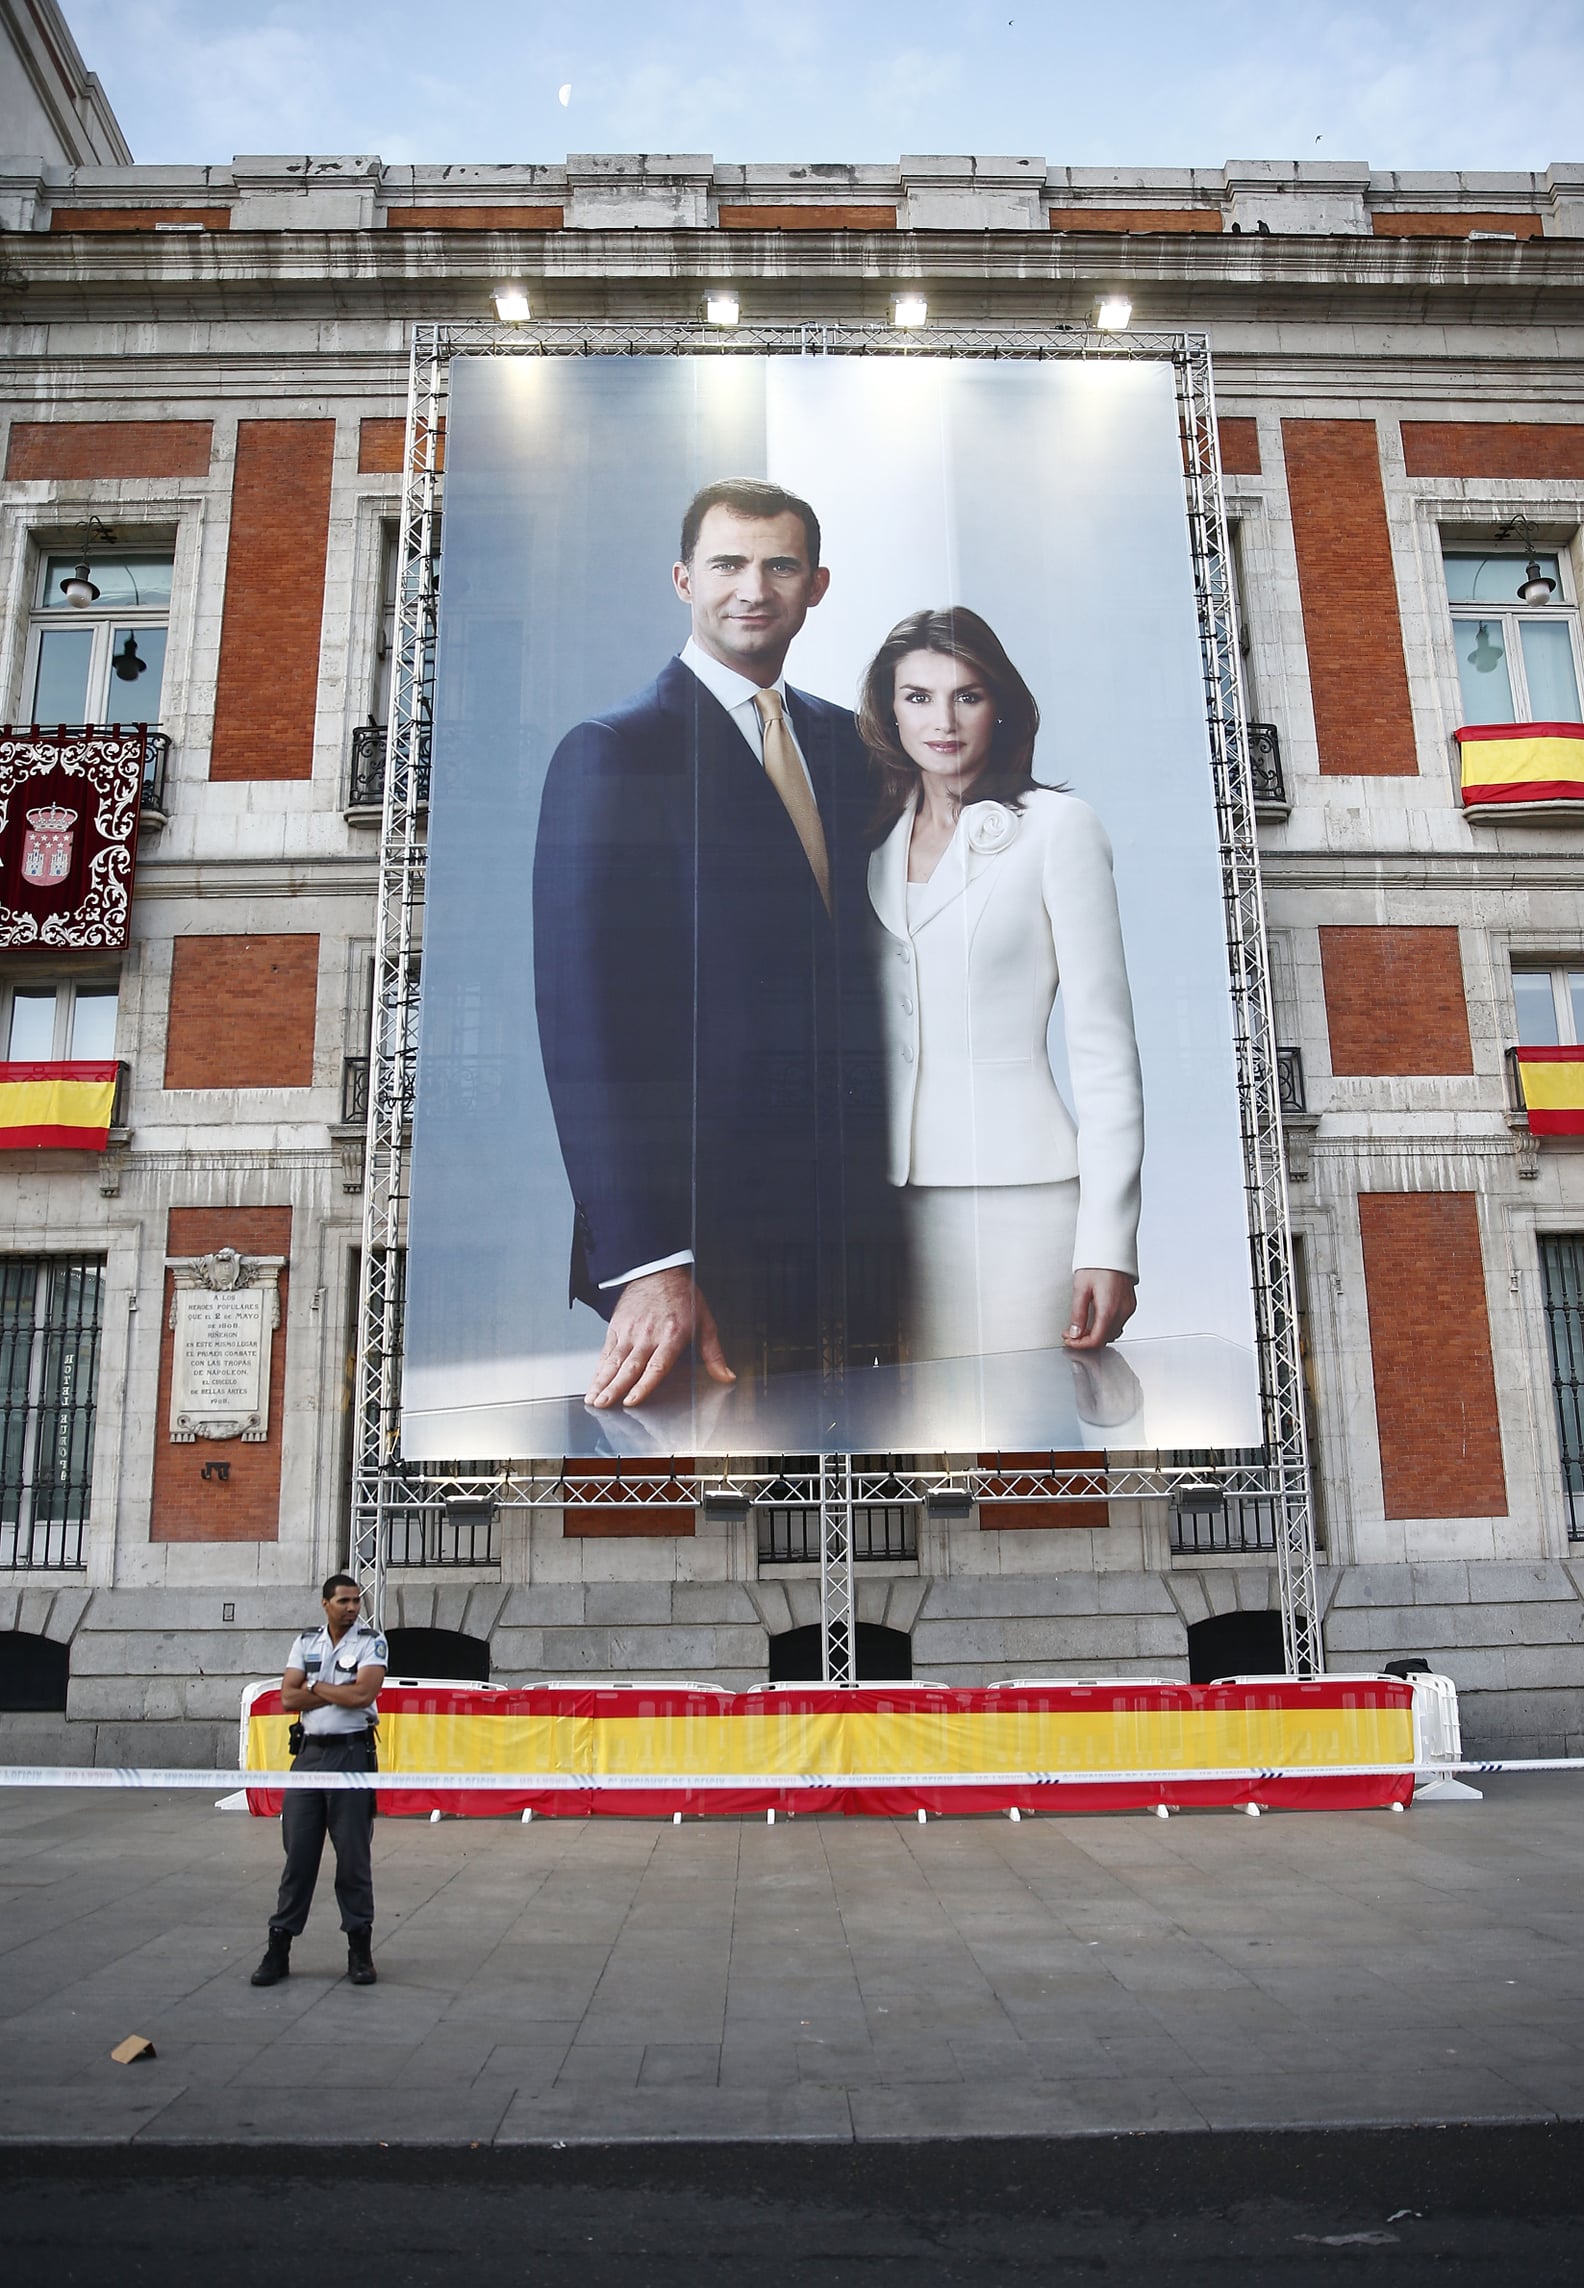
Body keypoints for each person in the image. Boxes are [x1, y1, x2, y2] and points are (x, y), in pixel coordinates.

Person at [533, 477, 899, 1407]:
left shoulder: (852, 745)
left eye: (780, 566)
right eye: (728, 563)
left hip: (862, 1225)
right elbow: (585, 1026)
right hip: (705, 1239)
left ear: (816, 586)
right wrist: (650, 1261)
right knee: (729, 1501)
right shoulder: (614, 749)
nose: (754, 588)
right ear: (683, 580)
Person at [857, 606, 1144, 1362]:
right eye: (917, 697)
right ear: (889, 710)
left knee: (1018, 1442)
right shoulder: (868, 840)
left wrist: (1109, 1242)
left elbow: (1103, 1048)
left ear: (1000, 705)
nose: (942, 721)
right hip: (879, 1203)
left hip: (1019, 1198)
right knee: (898, 1455)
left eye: (967, 696)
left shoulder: (1059, 828)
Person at [250, 1574, 386, 1989]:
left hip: (351, 1754)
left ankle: (359, 1950)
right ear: (325, 1603)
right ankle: (279, 1947)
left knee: (353, 1858)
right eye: (343, 1600)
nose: (352, 1607)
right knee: (299, 1856)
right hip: (309, 1755)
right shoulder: (305, 1642)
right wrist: (335, 1690)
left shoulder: (371, 1642)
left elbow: (363, 1695)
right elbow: (288, 1698)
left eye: (356, 1601)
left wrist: (316, 1686)